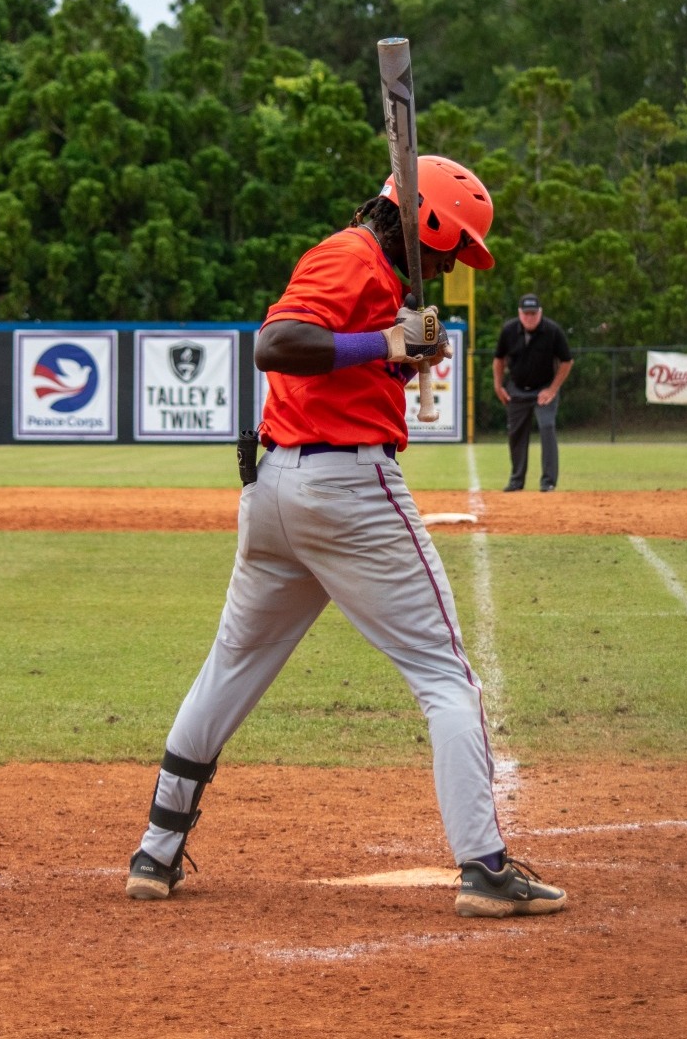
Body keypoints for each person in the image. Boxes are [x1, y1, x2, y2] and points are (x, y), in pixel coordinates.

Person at [123, 155, 567, 919]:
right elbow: (278, 343)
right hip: (348, 492)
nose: (449, 263)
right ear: (421, 222)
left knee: (228, 669)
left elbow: (344, 363)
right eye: (448, 247)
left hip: (278, 495)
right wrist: (389, 346)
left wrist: (402, 355)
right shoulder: (350, 255)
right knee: (446, 678)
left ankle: (154, 853)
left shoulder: (376, 274)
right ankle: (485, 869)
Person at [493, 294, 572, 492]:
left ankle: (548, 482)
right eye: (526, 313)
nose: (530, 317)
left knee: (547, 427)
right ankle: (516, 480)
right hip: (517, 389)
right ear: (520, 314)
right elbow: (499, 359)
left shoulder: (552, 331)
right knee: (516, 433)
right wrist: (498, 385)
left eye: (533, 313)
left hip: (543, 390)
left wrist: (553, 389)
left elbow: (567, 361)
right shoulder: (509, 330)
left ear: (540, 313)